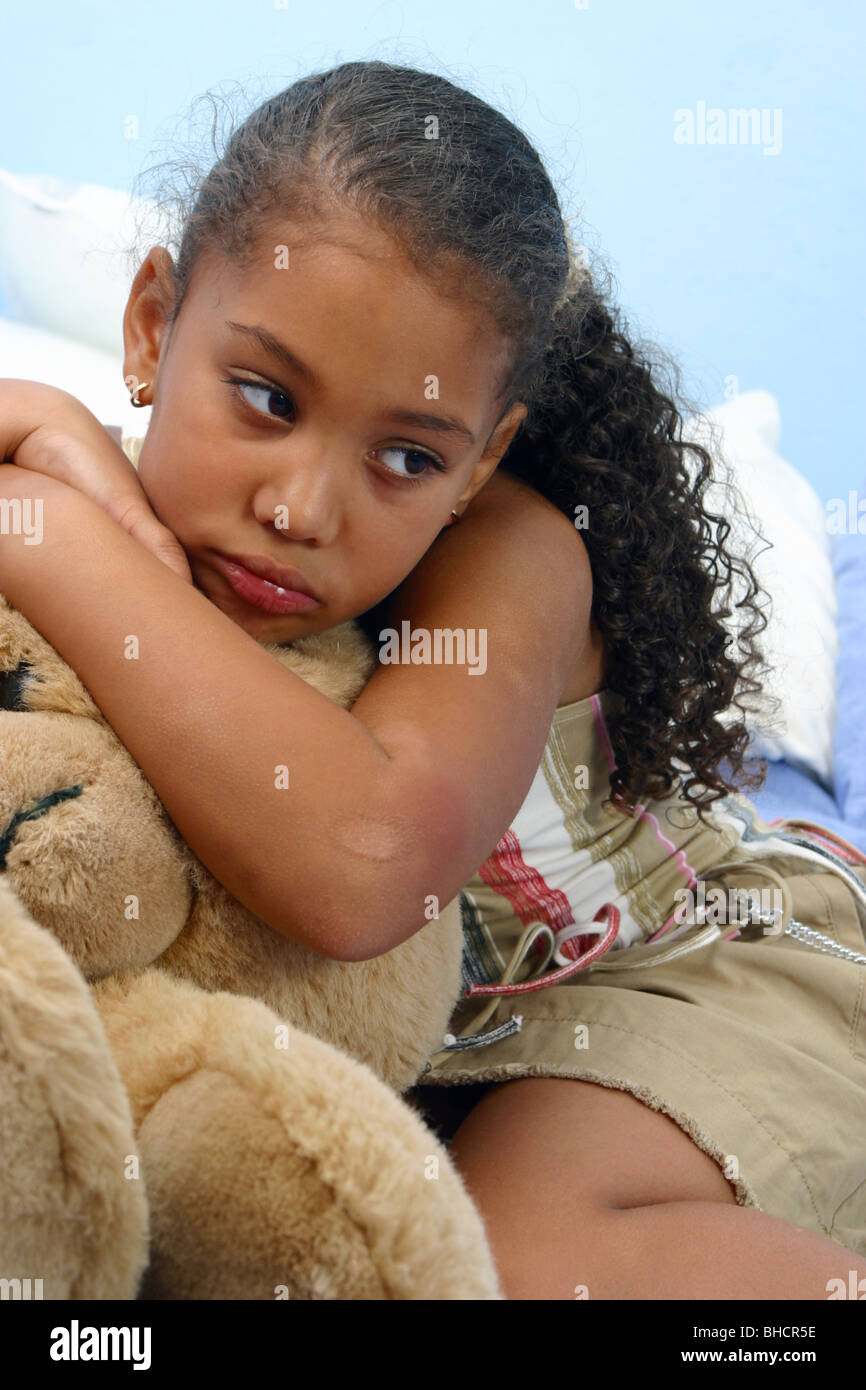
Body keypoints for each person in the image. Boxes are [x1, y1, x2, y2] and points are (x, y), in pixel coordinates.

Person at [1, 59, 865, 1301]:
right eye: (262, 395)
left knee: (509, 1263)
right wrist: (29, 412)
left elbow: (362, 864)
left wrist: (41, 523)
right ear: (150, 327)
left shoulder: (510, 554)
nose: (298, 508)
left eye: (406, 455)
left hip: (657, 968)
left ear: (479, 460)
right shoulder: (94, 471)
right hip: (411, 1049)